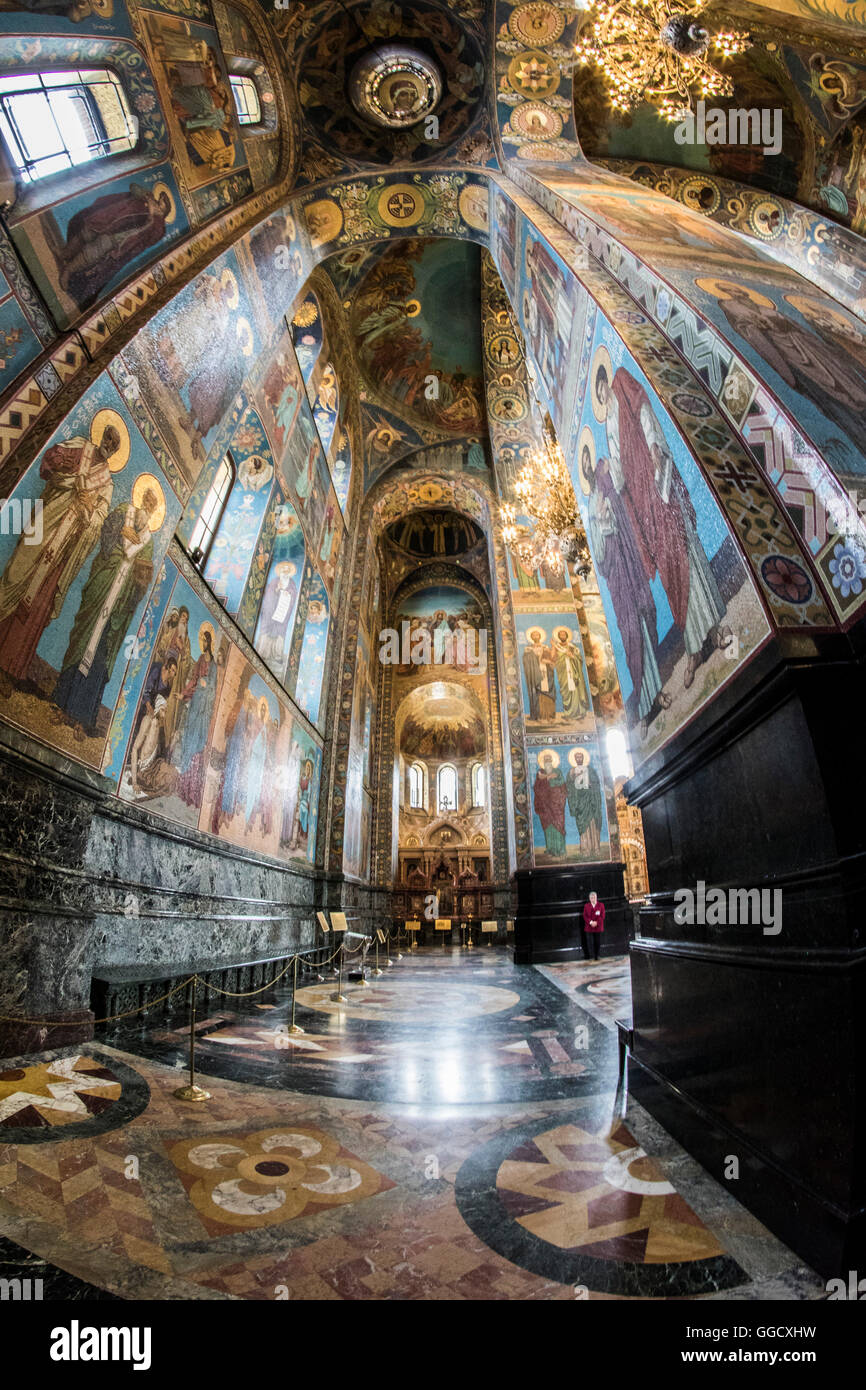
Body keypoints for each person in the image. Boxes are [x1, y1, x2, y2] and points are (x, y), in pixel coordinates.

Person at [582, 891, 605, 961]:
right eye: (592, 897)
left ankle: (597, 955)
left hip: (598, 927)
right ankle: (590, 955)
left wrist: (597, 922)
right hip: (589, 927)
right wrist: (591, 922)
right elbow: (584, 916)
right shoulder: (586, 906)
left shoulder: (601, 905)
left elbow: (602, 915)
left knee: (597, 941)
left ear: (596, 897)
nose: (593, 899)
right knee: (590, 942)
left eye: (594, 897)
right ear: (589, 898)